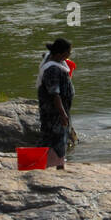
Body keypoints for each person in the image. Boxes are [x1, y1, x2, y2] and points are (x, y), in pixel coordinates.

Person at [37, 38, 75, 170]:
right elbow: (54, 94)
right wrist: (62, 113)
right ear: (59, 54)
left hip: (58, 110)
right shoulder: (52, 69)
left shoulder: (54, 60)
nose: (69, 55)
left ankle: (46, 165)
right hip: (53, 111)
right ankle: (56, 167)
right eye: (67, 52)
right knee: (55, 138)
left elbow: (47, 55)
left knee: (54, 138)